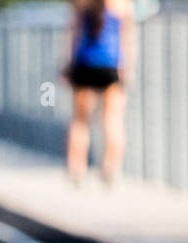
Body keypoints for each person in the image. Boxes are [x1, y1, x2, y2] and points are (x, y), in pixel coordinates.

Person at [64, 0, 134, 186]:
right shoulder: (122, 4)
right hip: (111, 66)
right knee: (113, 120)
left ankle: (76, 169)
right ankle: (111, 169)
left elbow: (75, 34)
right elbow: (126, 39)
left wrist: (69, 66)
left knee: (80, 121)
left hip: (84, 65)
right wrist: (126, 70)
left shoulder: (82, 4)